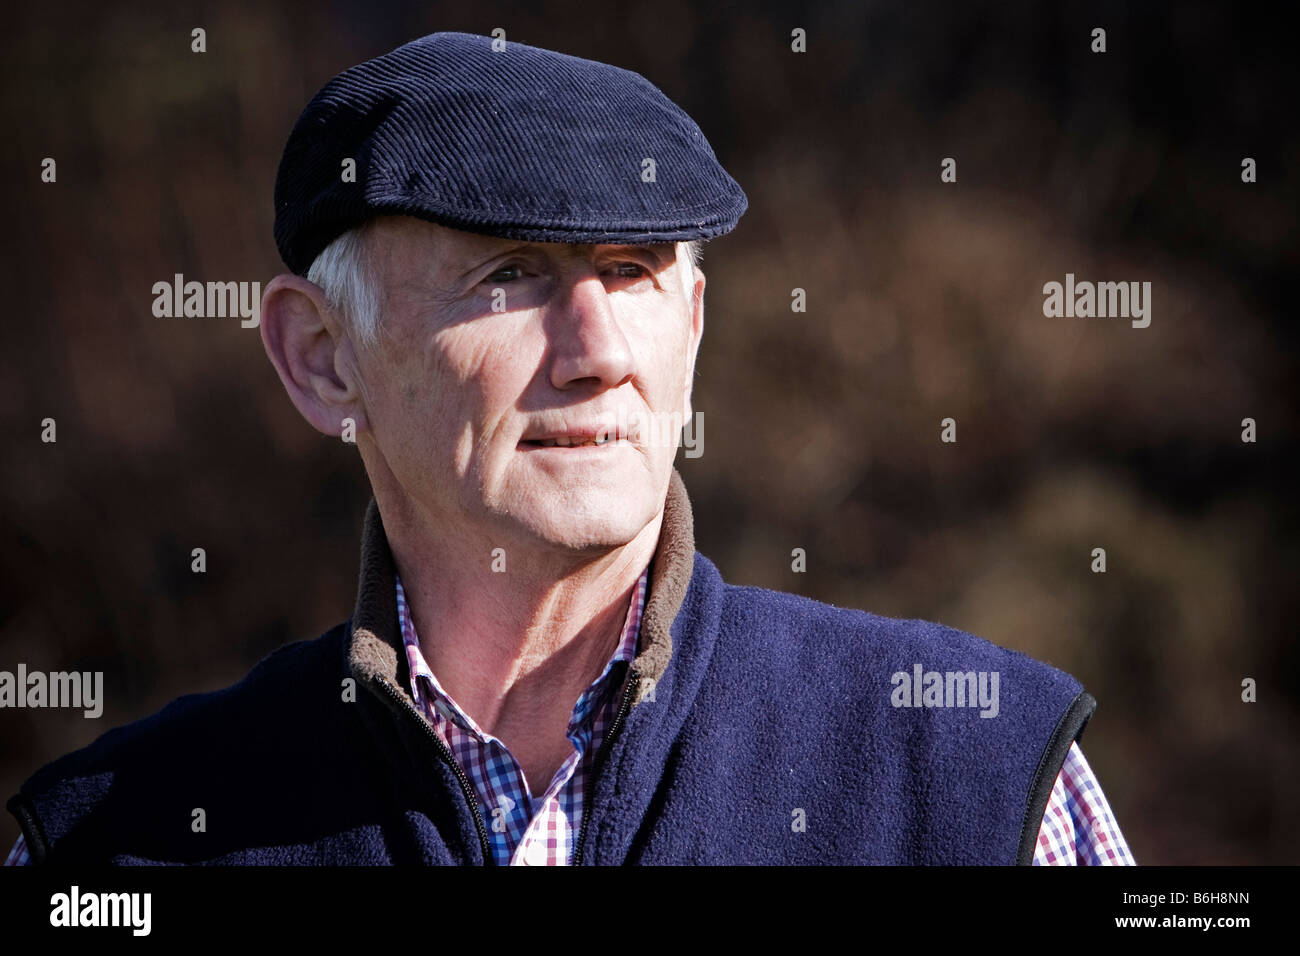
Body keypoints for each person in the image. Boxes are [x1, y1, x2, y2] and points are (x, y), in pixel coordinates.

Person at [5, 31, 1133, 865]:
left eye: (633, 273)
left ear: (691, 324)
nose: (596, 350)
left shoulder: (968, 771)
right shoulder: (115, 840)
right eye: (509, 274)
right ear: (320, 356)